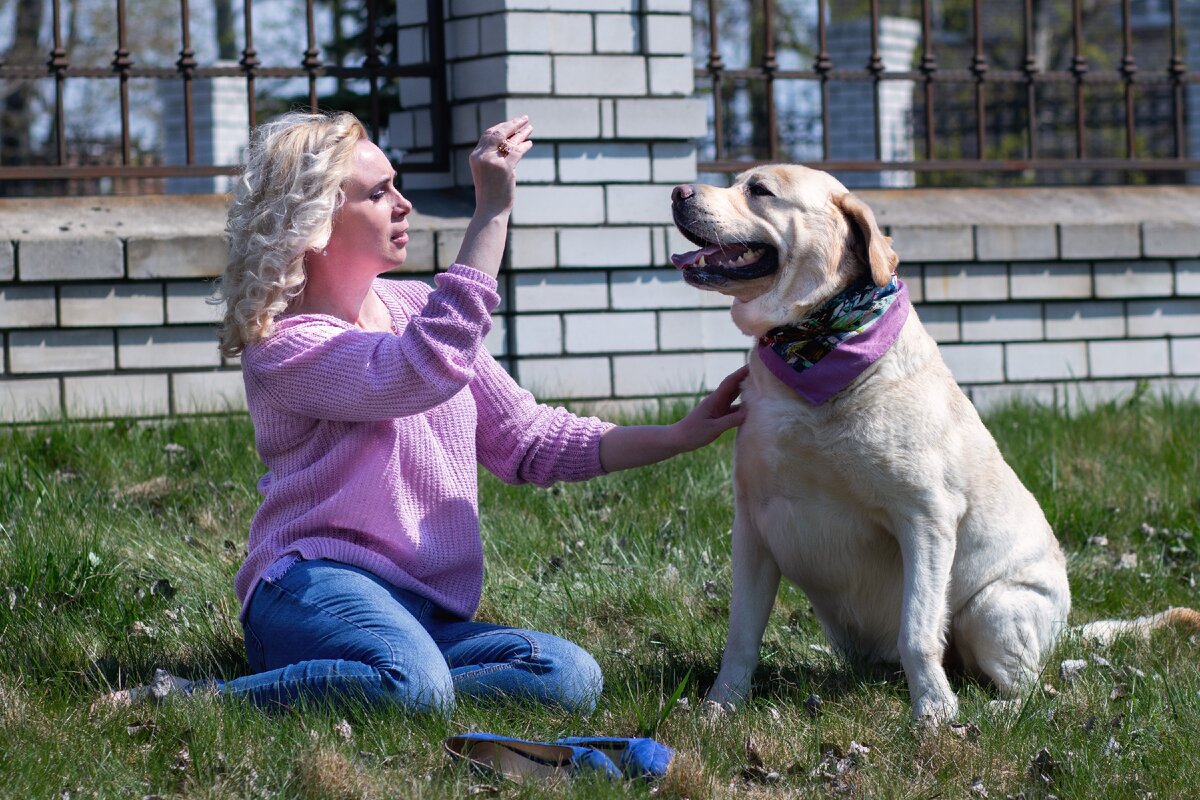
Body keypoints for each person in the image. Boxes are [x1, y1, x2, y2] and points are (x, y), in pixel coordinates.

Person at [98, 110, 747, 715]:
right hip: (311, 590)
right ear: (317, 222)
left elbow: (528, 441)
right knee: (416, 682)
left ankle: (395, 683)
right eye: (378, 193)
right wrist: (491, 211)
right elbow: (420, 370)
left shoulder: (415, 307)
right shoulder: (286, 347)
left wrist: (680, 434)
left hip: (426, 610)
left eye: (396, 186)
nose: (404, 203)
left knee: (568, 674)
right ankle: (198, 698)